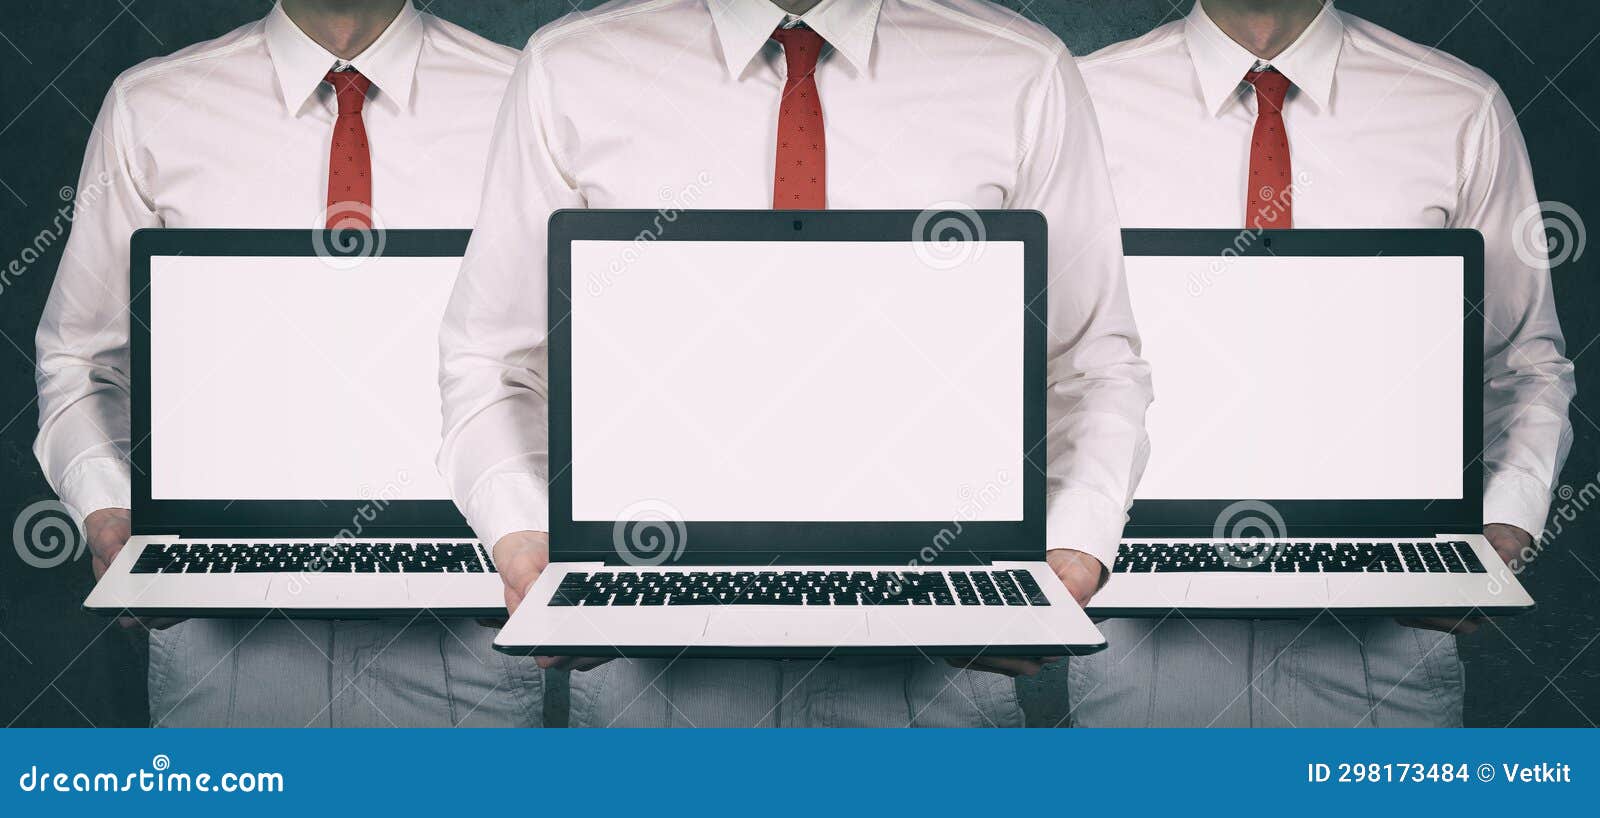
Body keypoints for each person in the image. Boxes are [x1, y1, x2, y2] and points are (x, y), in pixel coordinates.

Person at [438, 0, 1152, 727]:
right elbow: (493, 357)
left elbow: (1093, 360)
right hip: (653, 676)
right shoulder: (570, 69)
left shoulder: (1021, 69)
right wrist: (524, 534)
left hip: (936, 675)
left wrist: (1073, 546)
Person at [34, 0, 541, 727]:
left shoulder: (528, 98)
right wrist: (108, 505)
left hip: (469, 631)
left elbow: (575, 347)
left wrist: (529, 528)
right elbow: (82, 355)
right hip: (221, 647)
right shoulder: (152, 106)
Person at [1069, 0, 1575, 727]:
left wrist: (1504, 527)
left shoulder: (1458, 106)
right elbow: (1039, 353)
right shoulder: (1078, 103)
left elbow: (1522, 360)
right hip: (1138, 639)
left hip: (1385, 651)